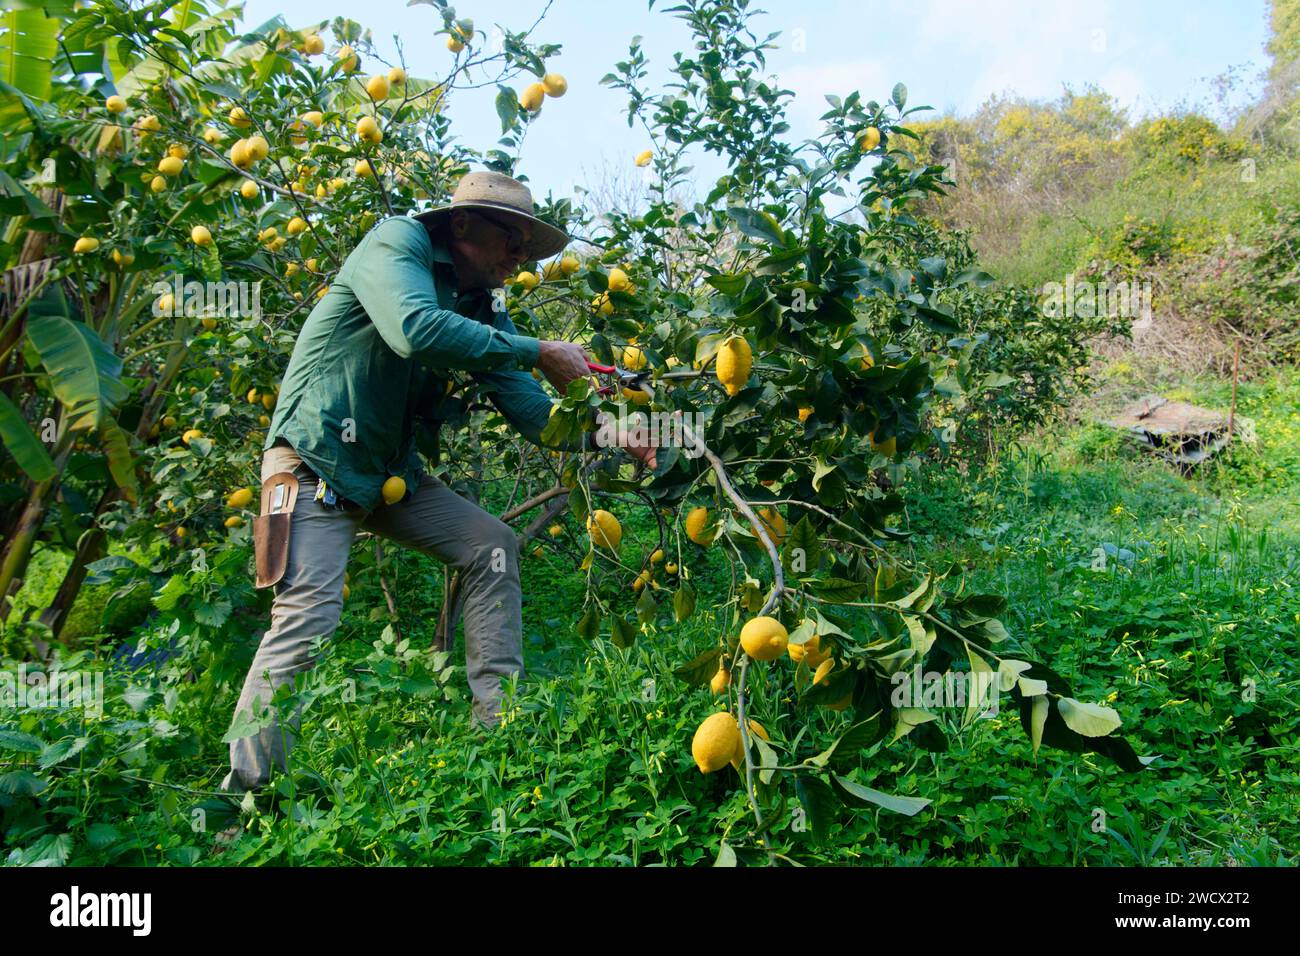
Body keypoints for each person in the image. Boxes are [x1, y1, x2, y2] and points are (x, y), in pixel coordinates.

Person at [219, 170, 654, 794]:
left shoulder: (485, 308)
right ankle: (249, 797)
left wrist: (611, 430)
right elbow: (414, 328)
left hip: (388, 478)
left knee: (492, 546)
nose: (519, 257)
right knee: (306, 615)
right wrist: (536, 349)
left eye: (528, 250)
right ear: (462, 225)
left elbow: (533, 412)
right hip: (314, 462)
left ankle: (498, 732)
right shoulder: (397, 244)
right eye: (513, 240)